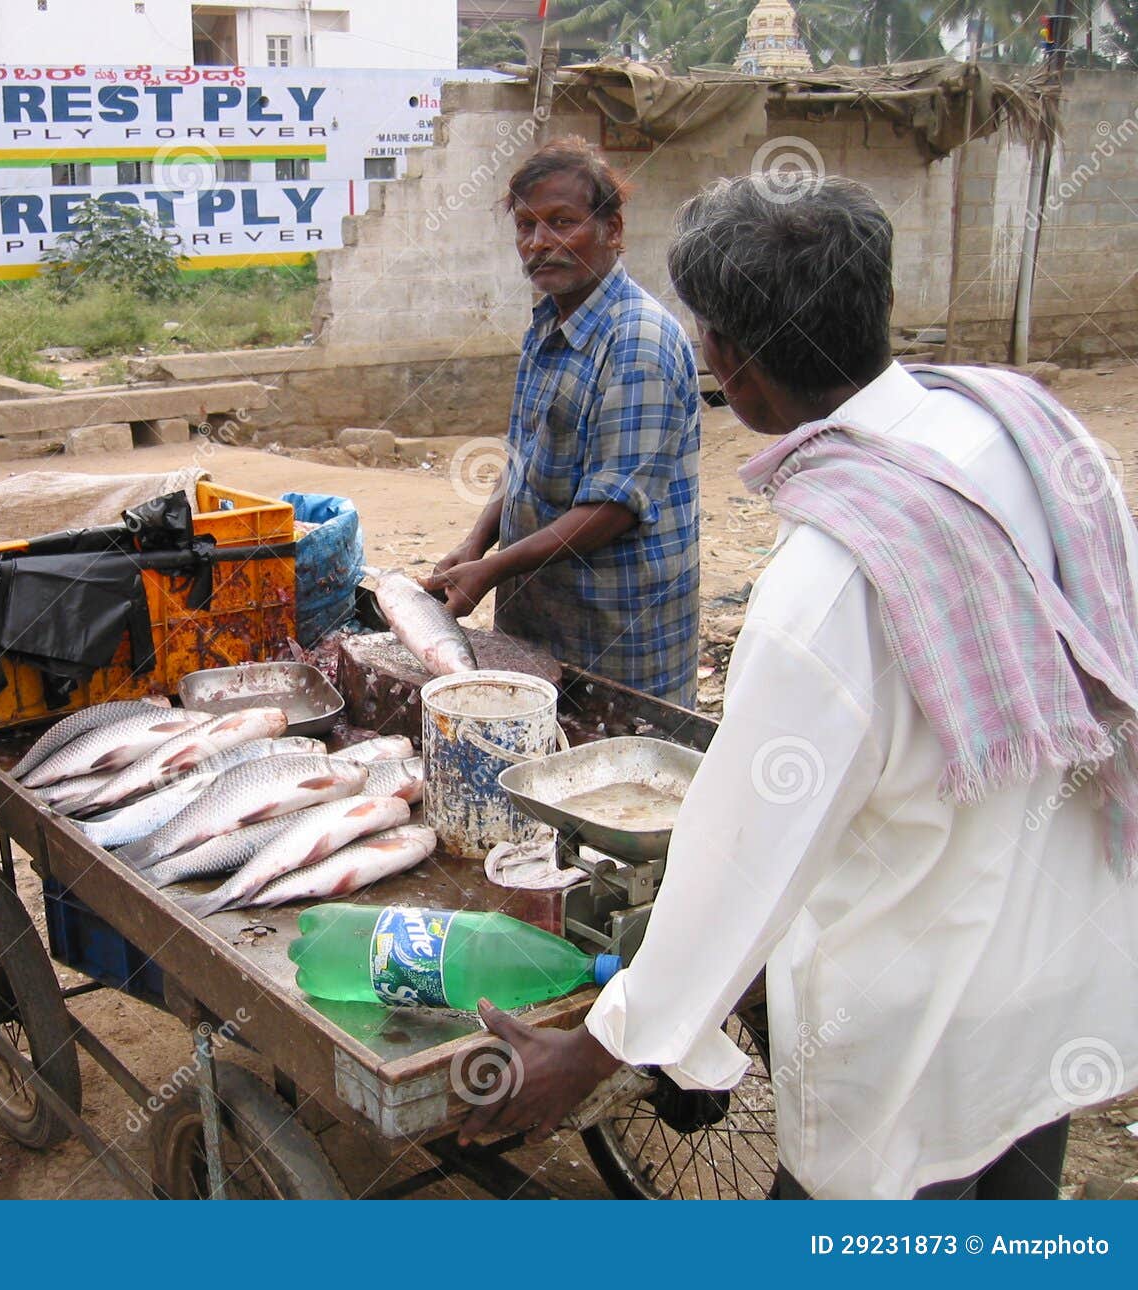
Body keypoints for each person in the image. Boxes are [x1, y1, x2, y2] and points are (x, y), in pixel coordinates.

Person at [457, 176, 1138, 1199]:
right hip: (1051, 975)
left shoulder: (826, 584)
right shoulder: (1033, 433)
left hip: (914, 1028)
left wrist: (594, 1051)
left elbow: (743, 862)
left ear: (728, 360)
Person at [424, 137, 701, 706]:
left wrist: (493, 569)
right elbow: (524, 461)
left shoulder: (637, 342)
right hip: (536, 623)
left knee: (615, 755)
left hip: (617, 640)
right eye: (526, 225)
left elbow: (612, 508)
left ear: (612, 230)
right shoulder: (549, 325)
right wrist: (476, 545)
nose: (539, 242)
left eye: (562, 222)